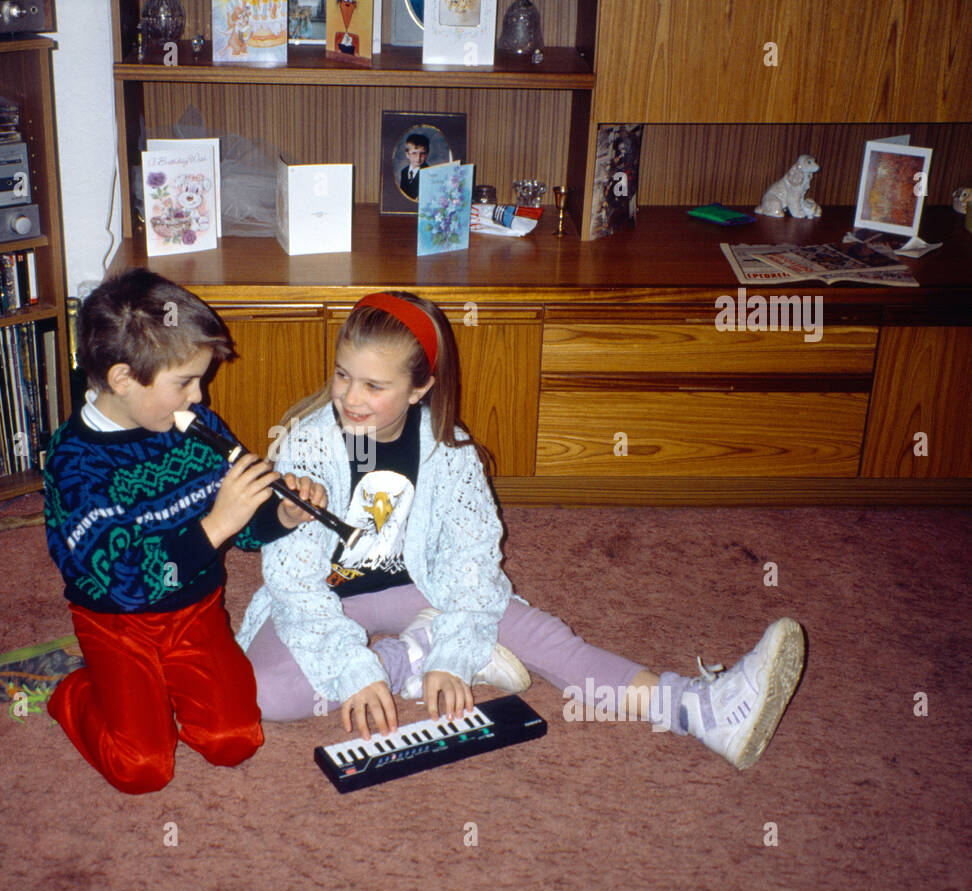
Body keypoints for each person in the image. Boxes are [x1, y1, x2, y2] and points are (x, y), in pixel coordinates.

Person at [236, 291, 805, 770]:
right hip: (333, 601)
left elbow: (473, 560)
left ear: (418, 389)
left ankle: (699, 708)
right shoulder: (310, 445)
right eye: (342, 375)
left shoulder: (448, 451)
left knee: (550, 641)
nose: (351, 398)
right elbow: (294, 582)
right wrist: (358, 669)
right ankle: (407, 658)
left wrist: (456, 650)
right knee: (263, 693)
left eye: (374, 386)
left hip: (431, 590)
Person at [0, 268, 327, 794]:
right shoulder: (75, 463)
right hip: (117, 621)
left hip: (195, 610)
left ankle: (155, 685)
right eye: (185, 382)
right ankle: (72, 689)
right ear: (123, 379)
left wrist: (279, 516)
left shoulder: (197, 428)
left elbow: (242, 532)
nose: (200, 396)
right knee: (142, 769)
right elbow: (121, 578)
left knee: (235, 740)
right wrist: (216, 524)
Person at [398, 133, 430, 200]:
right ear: (407, 154)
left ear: (427, 154)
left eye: (422, 154)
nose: (418, 158)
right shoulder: (404, 171)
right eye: (414, 153)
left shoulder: (429, 172)